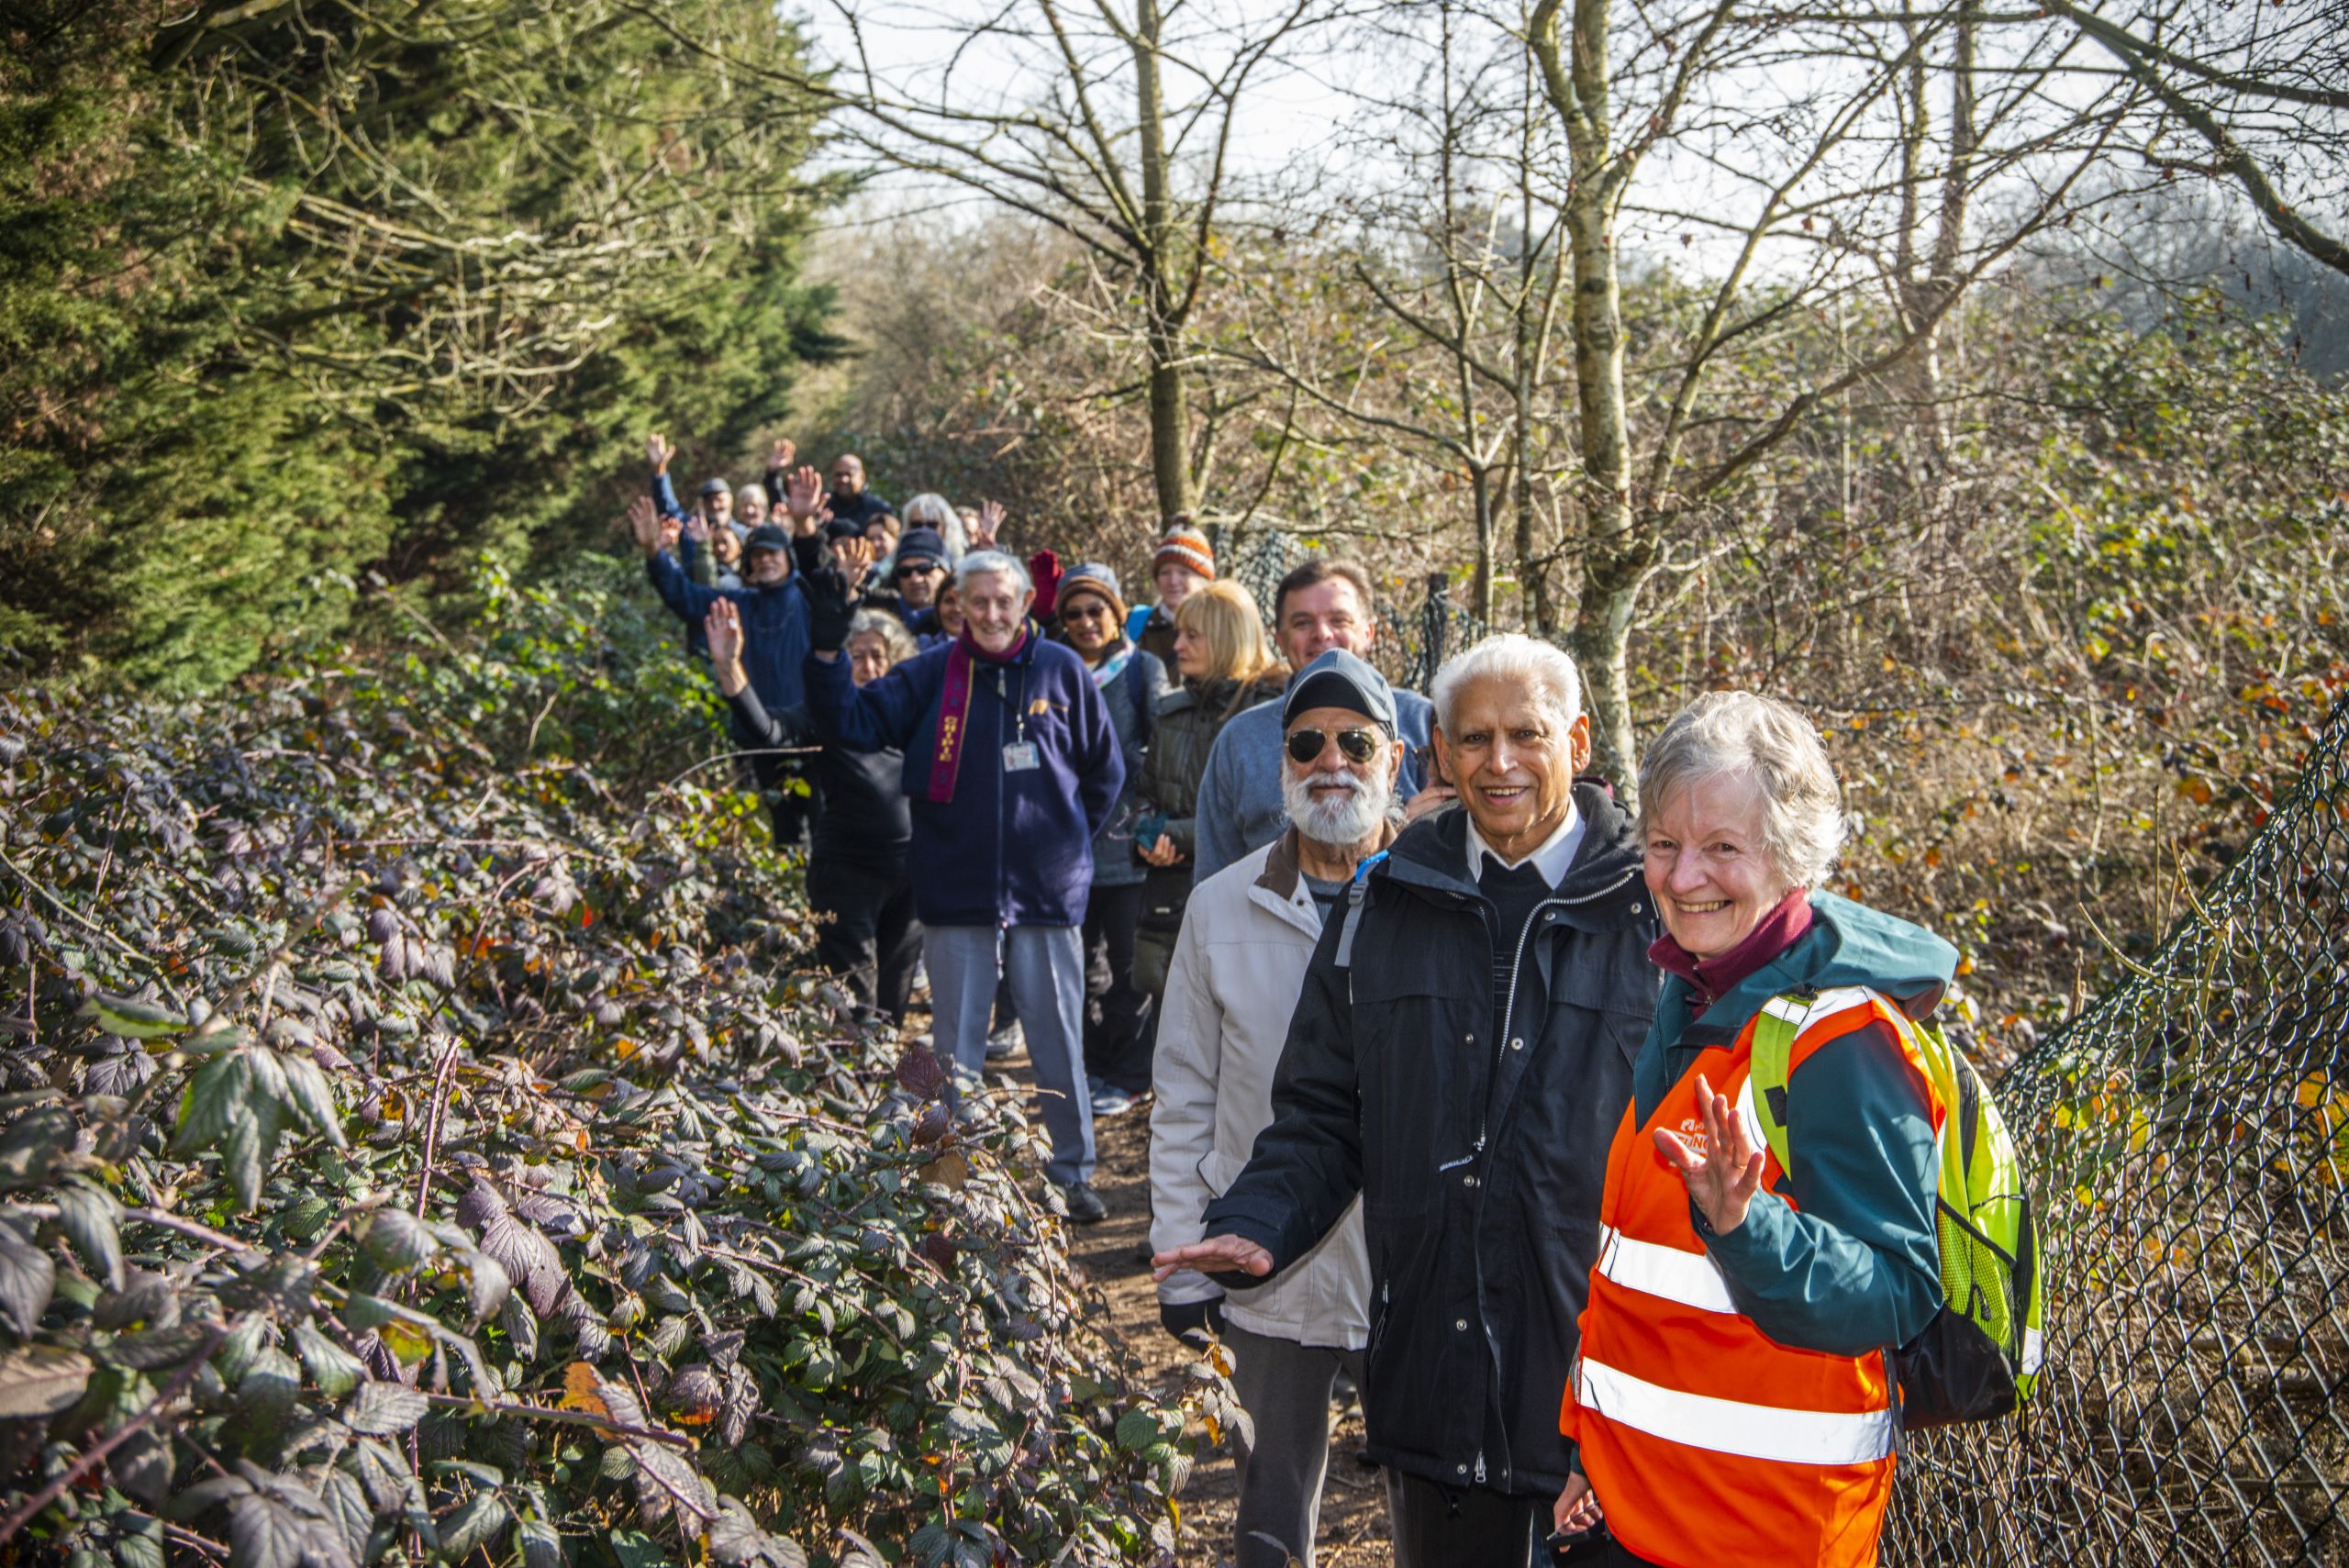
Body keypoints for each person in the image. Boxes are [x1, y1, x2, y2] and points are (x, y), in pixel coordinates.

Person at [1153, 633, 1657, 1568]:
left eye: (1525, 734)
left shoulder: (1650, 913)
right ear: (1437, 754)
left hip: (1599, 1374)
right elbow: (1322, 1106)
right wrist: (1259, 1216)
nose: (1497, 763)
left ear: (1578, 743)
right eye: (1472, 740)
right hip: (1435, 1369)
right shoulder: (1384, 903)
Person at [1550, 692, 1950, 1568]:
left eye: (1723, 848)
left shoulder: (1843, 1039)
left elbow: (1897, 1289)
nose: (1683, 876)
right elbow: (1635, 1262)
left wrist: (1746, 1226)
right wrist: (1592, 1445)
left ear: (1793, 855)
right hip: (1635, 1508)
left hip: (1758, 1531)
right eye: (1664, 844)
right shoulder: (1692, 993)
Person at [1150, 647, 1402, 1568]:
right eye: (1305, 742)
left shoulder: (1441, 900)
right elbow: (1183, 1089)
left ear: (1394, 757)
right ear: (1281, 761)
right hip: (1266, 1263)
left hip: (1408, 1260)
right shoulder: (1219, 906)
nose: (1329, 759)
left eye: (1354, 740)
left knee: (1437, 1503)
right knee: (1268, 1514)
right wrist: (1182, 1260)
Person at [802, 548, 1124, 1222]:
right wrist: (828, 647)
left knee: (1058, 1038)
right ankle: (956, 1174)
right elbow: (852, 723)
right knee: (955, 1048)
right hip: (955, 889)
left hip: (1046, 891)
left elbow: (1104, 771)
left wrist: (1063, 841)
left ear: (1025, 603)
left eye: (1003, 600)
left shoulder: (1063, 671)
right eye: (977, 601)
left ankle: (1072, 1173)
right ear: (960, 606)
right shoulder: (928, 675)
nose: (991, 612)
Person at [706, 601, 922, 1020]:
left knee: (895, 999)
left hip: (911, 875)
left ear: (896, 660)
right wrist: (729, 666)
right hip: (847, 871)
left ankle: (890, 1083)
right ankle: (851, 1080)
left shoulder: (913, 713)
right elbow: (767, 729)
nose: (868, 665)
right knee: (854, 999)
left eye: (878, 655)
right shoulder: (827, 716)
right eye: (856, 656)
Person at [1190, 558, 1443, 884]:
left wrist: (1415, 832)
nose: (1322, 634)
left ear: (1369, 633)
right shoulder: (1240, 739)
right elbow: (1214, 876)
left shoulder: (1421, 721)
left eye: (1339, 620)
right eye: (1302, 623)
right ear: (1279, 640)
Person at [1129, 582, 1287, 1006]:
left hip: (1248, 906)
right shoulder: (1172, 708)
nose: (1177, 645)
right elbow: (1144, 796)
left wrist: (1172, 835)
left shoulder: (1270, 714)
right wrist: (1146, 838)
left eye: (1191, 635)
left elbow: (1262, 821)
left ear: (1224, 638)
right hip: (1170, 903)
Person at [1051, 563, 1167, 1119]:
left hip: (1125, 842)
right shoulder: (1050, 672)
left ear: (1117, 612)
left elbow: (1163, 751)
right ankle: (1091, 1065)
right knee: (1076, 963)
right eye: (1073, 613)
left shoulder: (1144, 670)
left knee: (1126, 966)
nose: (1085, 621)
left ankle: (1130, 1073)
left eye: (1095, 609)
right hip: (1064, 844)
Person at [1125, 522, 1213, 665]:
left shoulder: (1220, 627)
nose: (1173, 581)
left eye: (1184, 573)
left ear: (1204, 580)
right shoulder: (1134, 625)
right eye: (1165, 573)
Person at [863, 527, 948, 628]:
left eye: (924, 568)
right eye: (905, 571)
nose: (915, 579)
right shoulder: (877, 614)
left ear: (945, 573)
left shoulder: (962, 618)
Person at [824, 453, 894, 529]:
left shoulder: (880, 509)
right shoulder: (824, 506)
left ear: (862, 477)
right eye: (838, 475)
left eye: (849, 474)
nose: (843, 480)